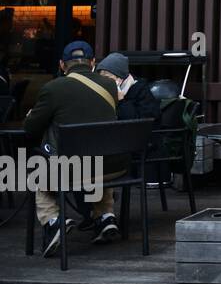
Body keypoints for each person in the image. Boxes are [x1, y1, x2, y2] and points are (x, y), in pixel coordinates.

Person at [23, 42, 124, 255]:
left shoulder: (53, 88)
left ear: (62, 65)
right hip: (114, 166)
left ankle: (53, 221)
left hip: (73, 169)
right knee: (96, 159)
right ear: (93, 63)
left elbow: (31, 128)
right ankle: (105, 216)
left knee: (39, 172)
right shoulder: (110, 86)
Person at [96, 52, 161, 124]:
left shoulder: (140, 90)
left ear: (120, 78)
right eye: (101, 77)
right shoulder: (101, 90)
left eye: (107, 77)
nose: (104, 81)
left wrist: (121, 100)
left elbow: (141, 123)